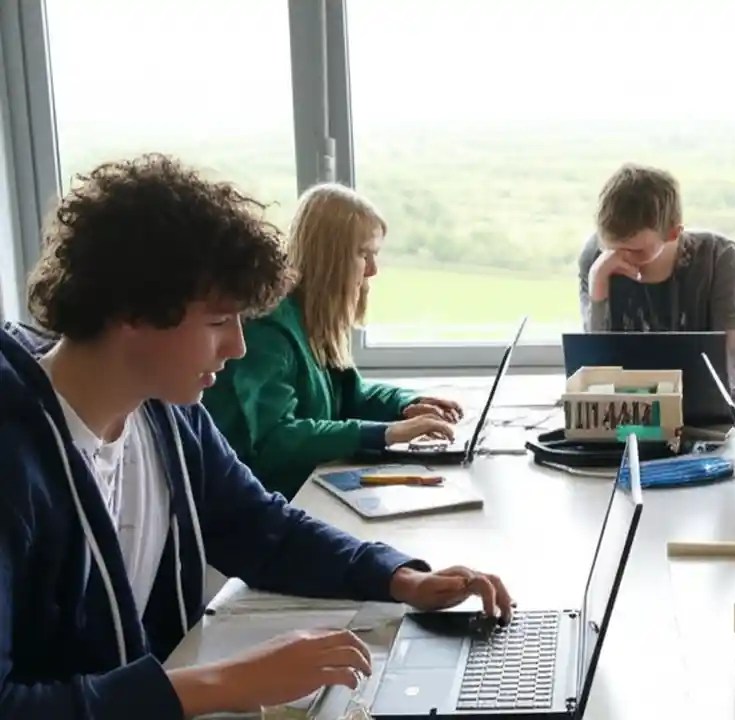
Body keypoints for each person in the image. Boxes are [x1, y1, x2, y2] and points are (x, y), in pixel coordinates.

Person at [0, 155, 510, 718]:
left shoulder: (167, 417)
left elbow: (262, 528)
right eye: (218, 322)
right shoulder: (15, 456)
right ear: (133, 311)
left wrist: (401, 577)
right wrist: (226, 683)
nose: (238, 348)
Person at [203, 183, 462, 497]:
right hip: (272, 502)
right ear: (331, 257)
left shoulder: (311, 317)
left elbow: (349, 394)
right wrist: (386, 434)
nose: (372, 270)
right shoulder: (267, 329)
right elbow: (275, 437)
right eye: (364, 254)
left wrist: (406, 403)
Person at [577, 163, 735, 391]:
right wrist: (598, 282)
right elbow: (595, 374)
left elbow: (731, 370)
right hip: (624, 408)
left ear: (673, 233)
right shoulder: (596, 258)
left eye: (637, 250)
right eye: (612, 248)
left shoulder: (718, 258)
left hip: (700, 404)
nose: (622, 257)